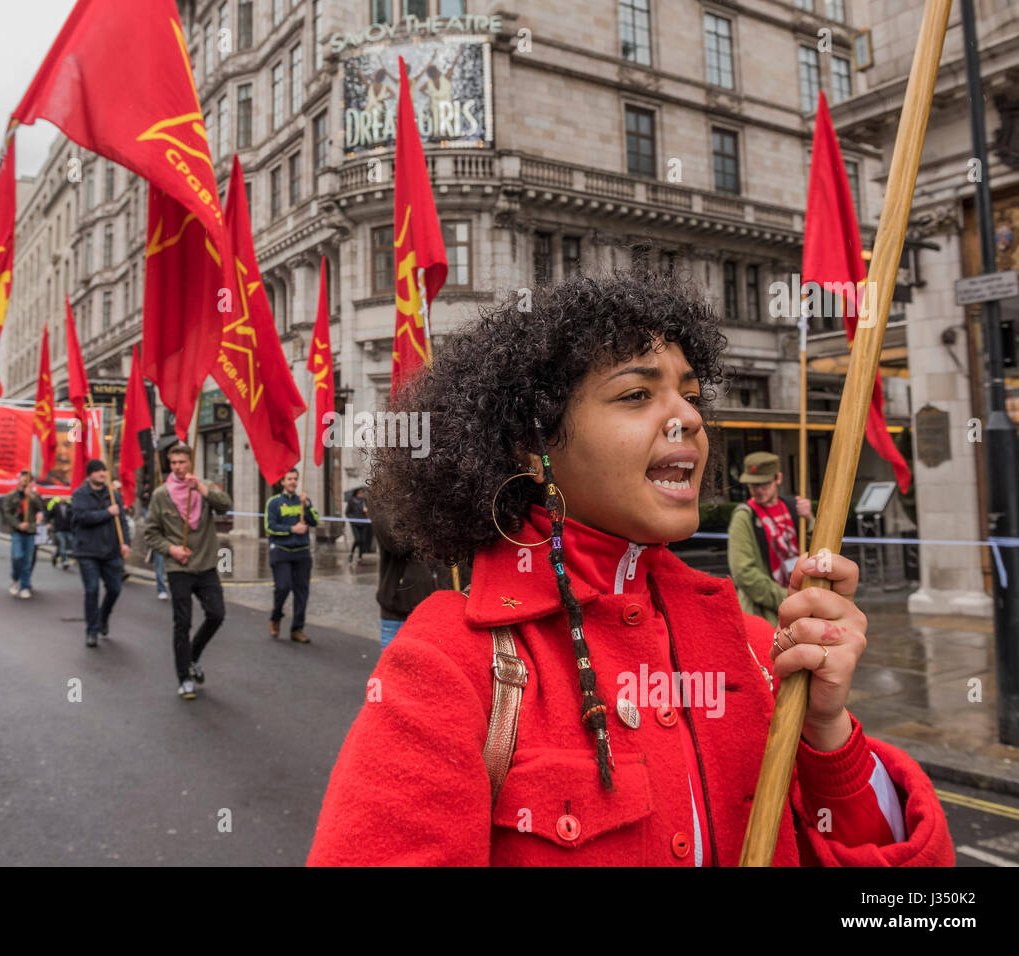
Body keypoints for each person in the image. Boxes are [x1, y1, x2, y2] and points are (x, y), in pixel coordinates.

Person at [306, 273, 952, 866]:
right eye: (638, 393)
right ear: (533, 447)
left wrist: (826, 729)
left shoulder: (759, 652)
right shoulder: (450, 661)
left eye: (692, 395)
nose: (689, 418)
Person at [145, 443, 230, 700]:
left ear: (191, 463)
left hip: (205, 565)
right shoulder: (161, 494)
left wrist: (202, 490)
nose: (178, 468)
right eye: (174, 463)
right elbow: (151, 533)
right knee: (182, 622)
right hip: (178, 567)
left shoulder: (204, 486)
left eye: (182, 462)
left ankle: (192, 655)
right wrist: (171, 549)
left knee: (217, 614)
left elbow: (225, 506)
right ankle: (183, 678)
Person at [727, 451, 815, 626]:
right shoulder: (744, 516)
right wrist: (787, 598)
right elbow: (743, 572)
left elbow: (818, 552)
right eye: (753, 485)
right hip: (765, 614)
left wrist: (810, 519)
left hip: (802, 605)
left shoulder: (793, 507)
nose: (758, 490)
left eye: (764, 484)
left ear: (778, 478)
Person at [370, 498, 466, 653]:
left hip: (445, 610)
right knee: (398, 673)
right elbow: (395, 540)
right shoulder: (383, 488)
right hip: (401, 610)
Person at [71, 458, 130, 648]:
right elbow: (81, 517)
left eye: (104, 471)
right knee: (92, 590)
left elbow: (122, 521)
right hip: (88, 551)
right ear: (90, 475)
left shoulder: (113, 496)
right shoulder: (80, 494)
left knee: (115, 589)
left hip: (111, 550)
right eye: (98, 471)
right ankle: (92, 630)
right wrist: (107, 513)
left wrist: (125, 543)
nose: (102, 474)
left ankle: (103, 616)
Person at [264, 468, 319, 644]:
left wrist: (308, 506)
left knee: (302, 591)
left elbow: (315, 521)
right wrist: (291, 529)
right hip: (281, 551)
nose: (293, 482)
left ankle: (297, 628)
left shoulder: (303, 501)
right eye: (289, 479)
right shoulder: (274, 502)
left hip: (302, 552)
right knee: (283, 587)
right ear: (282, 482)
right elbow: (269, 526)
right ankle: (276, 616)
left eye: (295, 479)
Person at [1, 470, 44, 599]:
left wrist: (32, 497)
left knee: (28, 560)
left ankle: (25, 586)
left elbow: (42, 509)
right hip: (17, 532)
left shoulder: (34, 495)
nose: (25, 481)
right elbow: (6, 513)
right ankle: (15, 578)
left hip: (30, 532)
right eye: (23, 479)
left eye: (28, 479)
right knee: (17, 556)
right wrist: (18, 524)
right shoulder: (12, 495)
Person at [345, 487, 371, 569]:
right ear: (356, 493)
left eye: (362, 493)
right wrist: (352, 520)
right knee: (357, 539)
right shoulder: (351, 501)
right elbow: (347, 513)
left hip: (364, 523)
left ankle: (360, 558)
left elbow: (369, 512)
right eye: (360, 493)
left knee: (362, 541)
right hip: (355, 524)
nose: (361, 494)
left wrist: (367, 512)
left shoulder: (364, 501)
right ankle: (351, 554)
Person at [47, 495, 73, 570]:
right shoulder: (55, 506)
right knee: (63, 543)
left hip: (68, 529)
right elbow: (49, 515)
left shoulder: (70, 506)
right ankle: (65, 561)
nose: (64, 498)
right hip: (58, 530)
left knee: (66, 544)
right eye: (62, 497)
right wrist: (48, 523)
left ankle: (55, 556)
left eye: (65, 497)